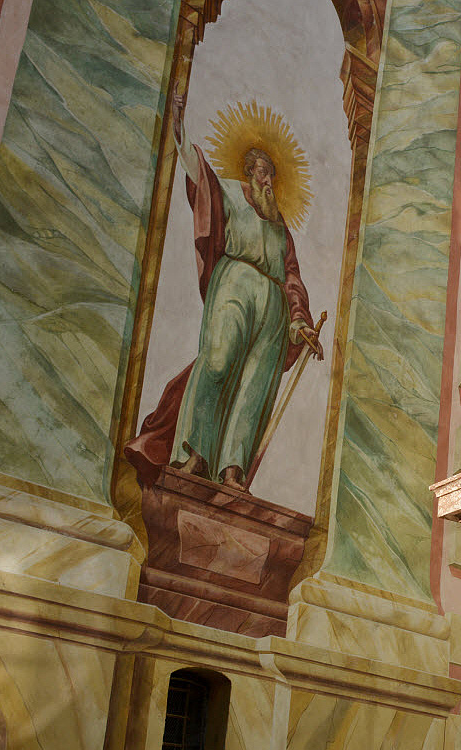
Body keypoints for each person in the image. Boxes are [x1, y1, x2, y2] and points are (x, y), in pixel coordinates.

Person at [125, 96, 323, 491]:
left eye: (271, 176)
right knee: (216, 362)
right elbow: (200, 178)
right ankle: (195, 453)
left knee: (255, 388)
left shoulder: (279, 224)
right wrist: (179, 128)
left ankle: (232, 469)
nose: (267, 181)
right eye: (262, 172)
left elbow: (291, 274)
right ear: (249, 171)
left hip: (273, 308)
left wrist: (299, 320)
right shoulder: (230, 193)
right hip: (234, 284)